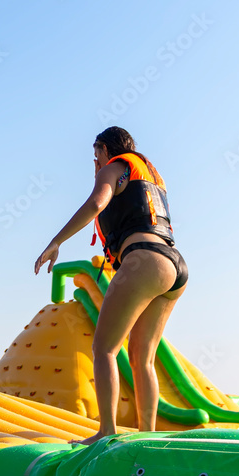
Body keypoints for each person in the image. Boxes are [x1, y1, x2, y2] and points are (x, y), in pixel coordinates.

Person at [34, 127, 188, 445]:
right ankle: (148, 437)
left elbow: (97, 203)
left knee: (104, 349)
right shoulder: (151, 175)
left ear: (105, 149)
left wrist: (56, 241)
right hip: (174, 266)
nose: (96, 162)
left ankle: (106, 431)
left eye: (96, 155)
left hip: (144, 260)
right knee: (142, 358)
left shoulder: (114, 166)